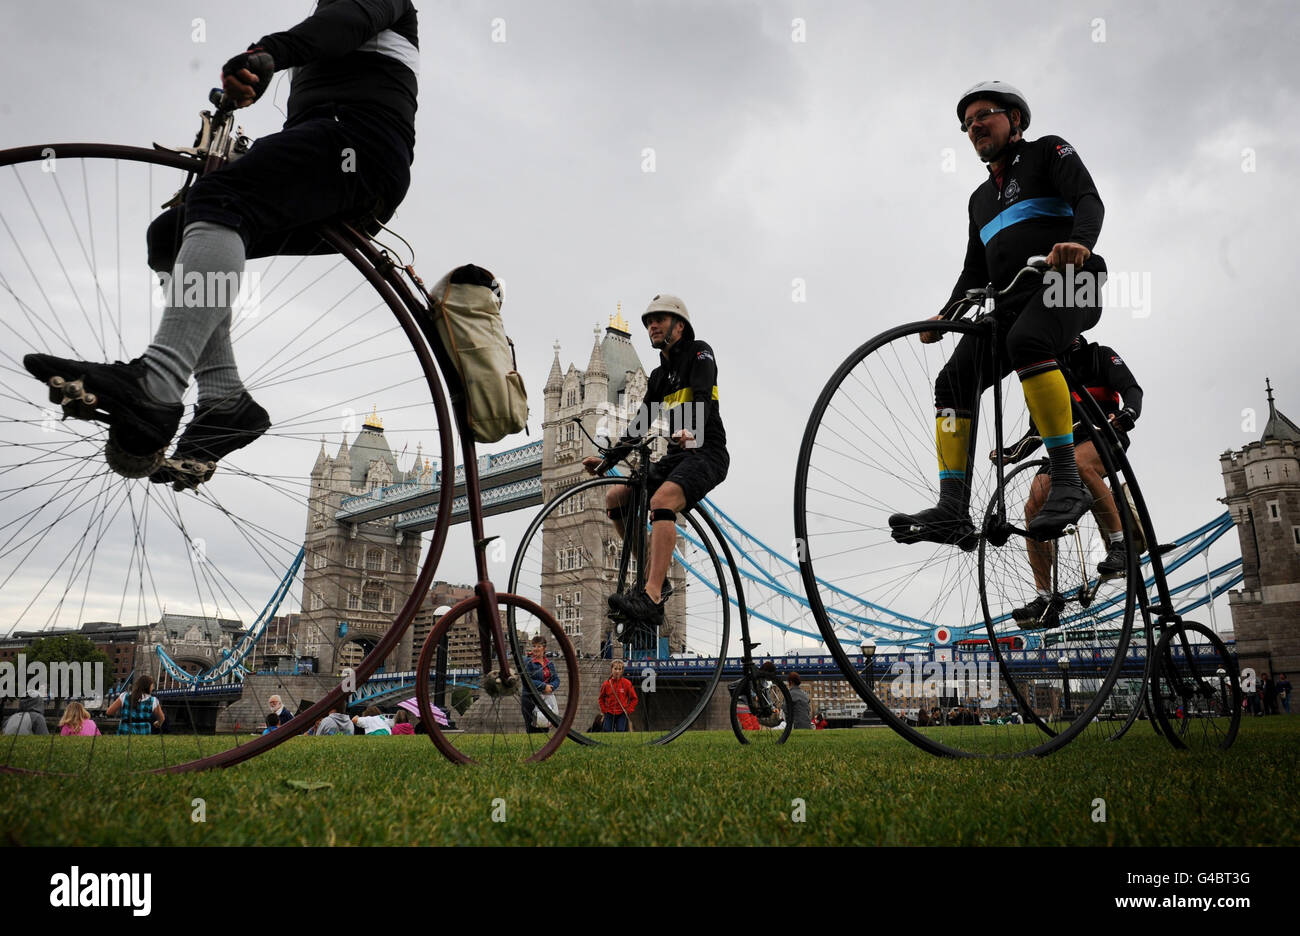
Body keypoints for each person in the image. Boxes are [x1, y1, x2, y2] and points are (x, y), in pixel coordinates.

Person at [22, 0, 419, 485]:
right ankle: (225, 400)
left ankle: (157, 384)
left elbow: (342, 26)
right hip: (339, 156)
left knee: (222, 198)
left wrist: (267, 56)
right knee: (171, 233)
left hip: (357, 149)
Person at [891, 81, 1108, 550]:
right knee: (952, 381)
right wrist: (946, 315)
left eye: (984, 114)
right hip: (1010, 302)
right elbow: (974, 268)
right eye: (967, 123)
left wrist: (1080, 243)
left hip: (1072, 280)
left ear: (1015, 120)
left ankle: (1068, 480)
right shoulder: (978, 199)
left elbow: (1089, 199)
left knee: (1027, 341)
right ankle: (953, 508)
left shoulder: (1049, 150)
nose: (974, 127)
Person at [587, 295, 729, 628]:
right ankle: (657, 576)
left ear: (680, 326)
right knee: (615, 499)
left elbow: (702, 396)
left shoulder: (700, 352)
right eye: (649, 321)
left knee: (662, 500)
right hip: (676, 457)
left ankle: (650, 596)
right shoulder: (658, 376)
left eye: (660, 320)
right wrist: (606, 462)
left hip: (706, 452)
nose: (652, 325)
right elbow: (639, 426)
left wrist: (690, 432)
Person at [993, 337, 1143, 627]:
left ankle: (1121, 546)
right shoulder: (1047, 371)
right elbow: (1036, 432)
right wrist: (1012, 452)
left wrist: (1129, 413)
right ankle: (1046, 597)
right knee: (1033, 503)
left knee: (1080, 463)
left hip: (1103, 435)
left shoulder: (1099, 356)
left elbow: (1132, 390)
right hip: (1062, 448)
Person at [522, 635, 560, 732]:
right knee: (532, 727)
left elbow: (556, 679)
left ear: (544, 648)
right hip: (530, 699)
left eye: (539, 646)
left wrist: (551, 687)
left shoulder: (549, 663)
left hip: (546, 698)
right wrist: (543, 686)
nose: (536, 649)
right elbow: (527, 680)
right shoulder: (528, 662)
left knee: (545, 725)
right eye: (534, 646)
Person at [598, 659, 638, 732]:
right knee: (606, 731)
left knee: (621, 731)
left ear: (622, 671)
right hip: (609, 713)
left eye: (619, 669)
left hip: (622, 713)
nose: (617, 671)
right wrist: (604, 710)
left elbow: (634, 699)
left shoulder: (627, 683)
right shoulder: (606, 684)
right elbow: (601, 698)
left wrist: (628, 710)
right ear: (611, 669)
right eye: (615, 669)